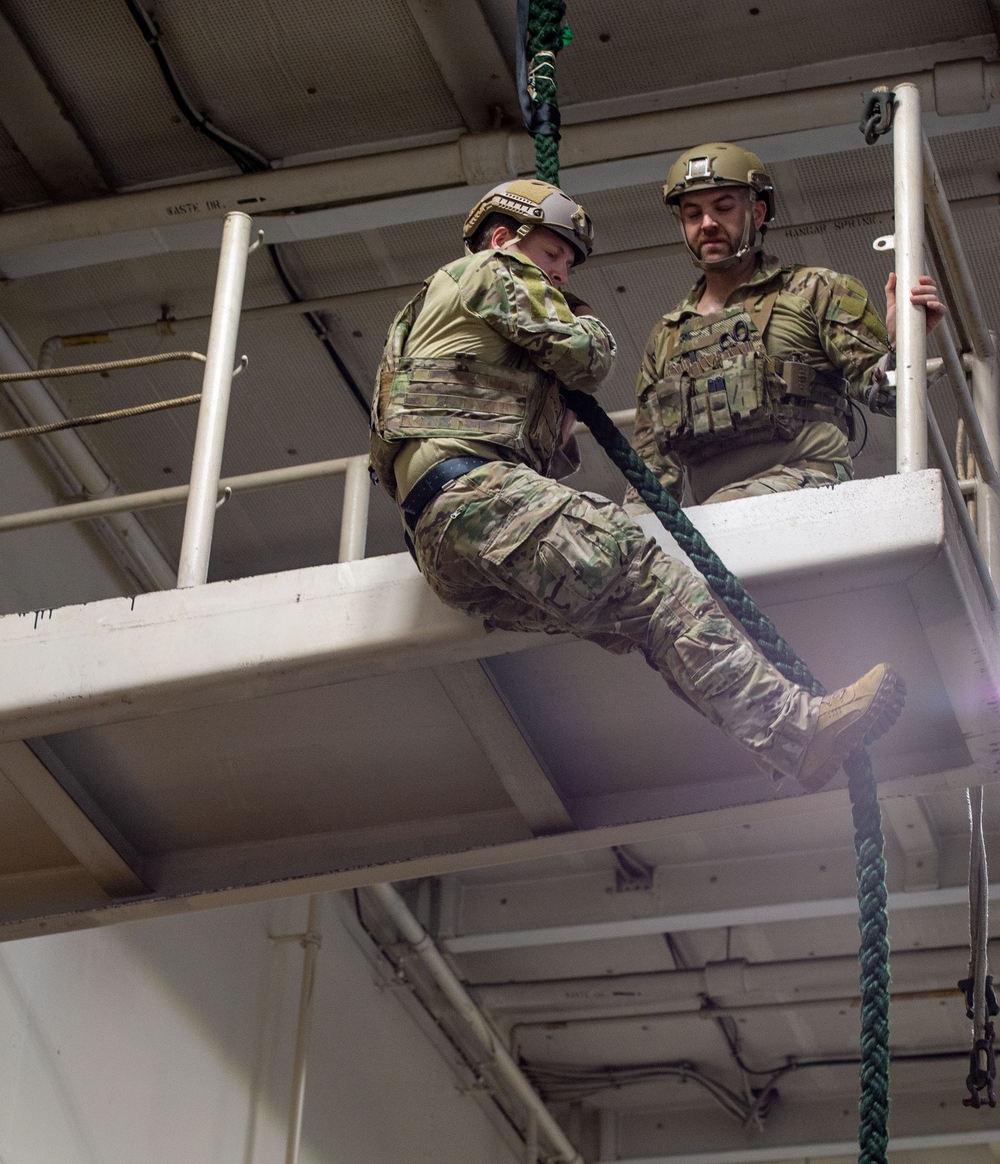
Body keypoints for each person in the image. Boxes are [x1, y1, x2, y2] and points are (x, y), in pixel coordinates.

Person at [369, 178, 905, 794]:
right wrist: (588, 322)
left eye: (566, 267)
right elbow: (587, 359)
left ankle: (783, 743)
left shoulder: (432, 313)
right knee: (651, 577)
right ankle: (797, 734)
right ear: (502, 238)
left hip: (442, 543)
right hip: (476, 495)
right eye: (552, 257)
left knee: (645, 615)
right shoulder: (492, 269)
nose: (561, 277)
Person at [632, 142, 946, 505]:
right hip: (717, 517)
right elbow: (651, 466)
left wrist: (902, 343)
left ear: (758, 212)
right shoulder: (666, 337)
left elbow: (890, 398)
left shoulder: (815, 290)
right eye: (692, 214)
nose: (708, 224)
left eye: (723, 208)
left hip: (808, 487)